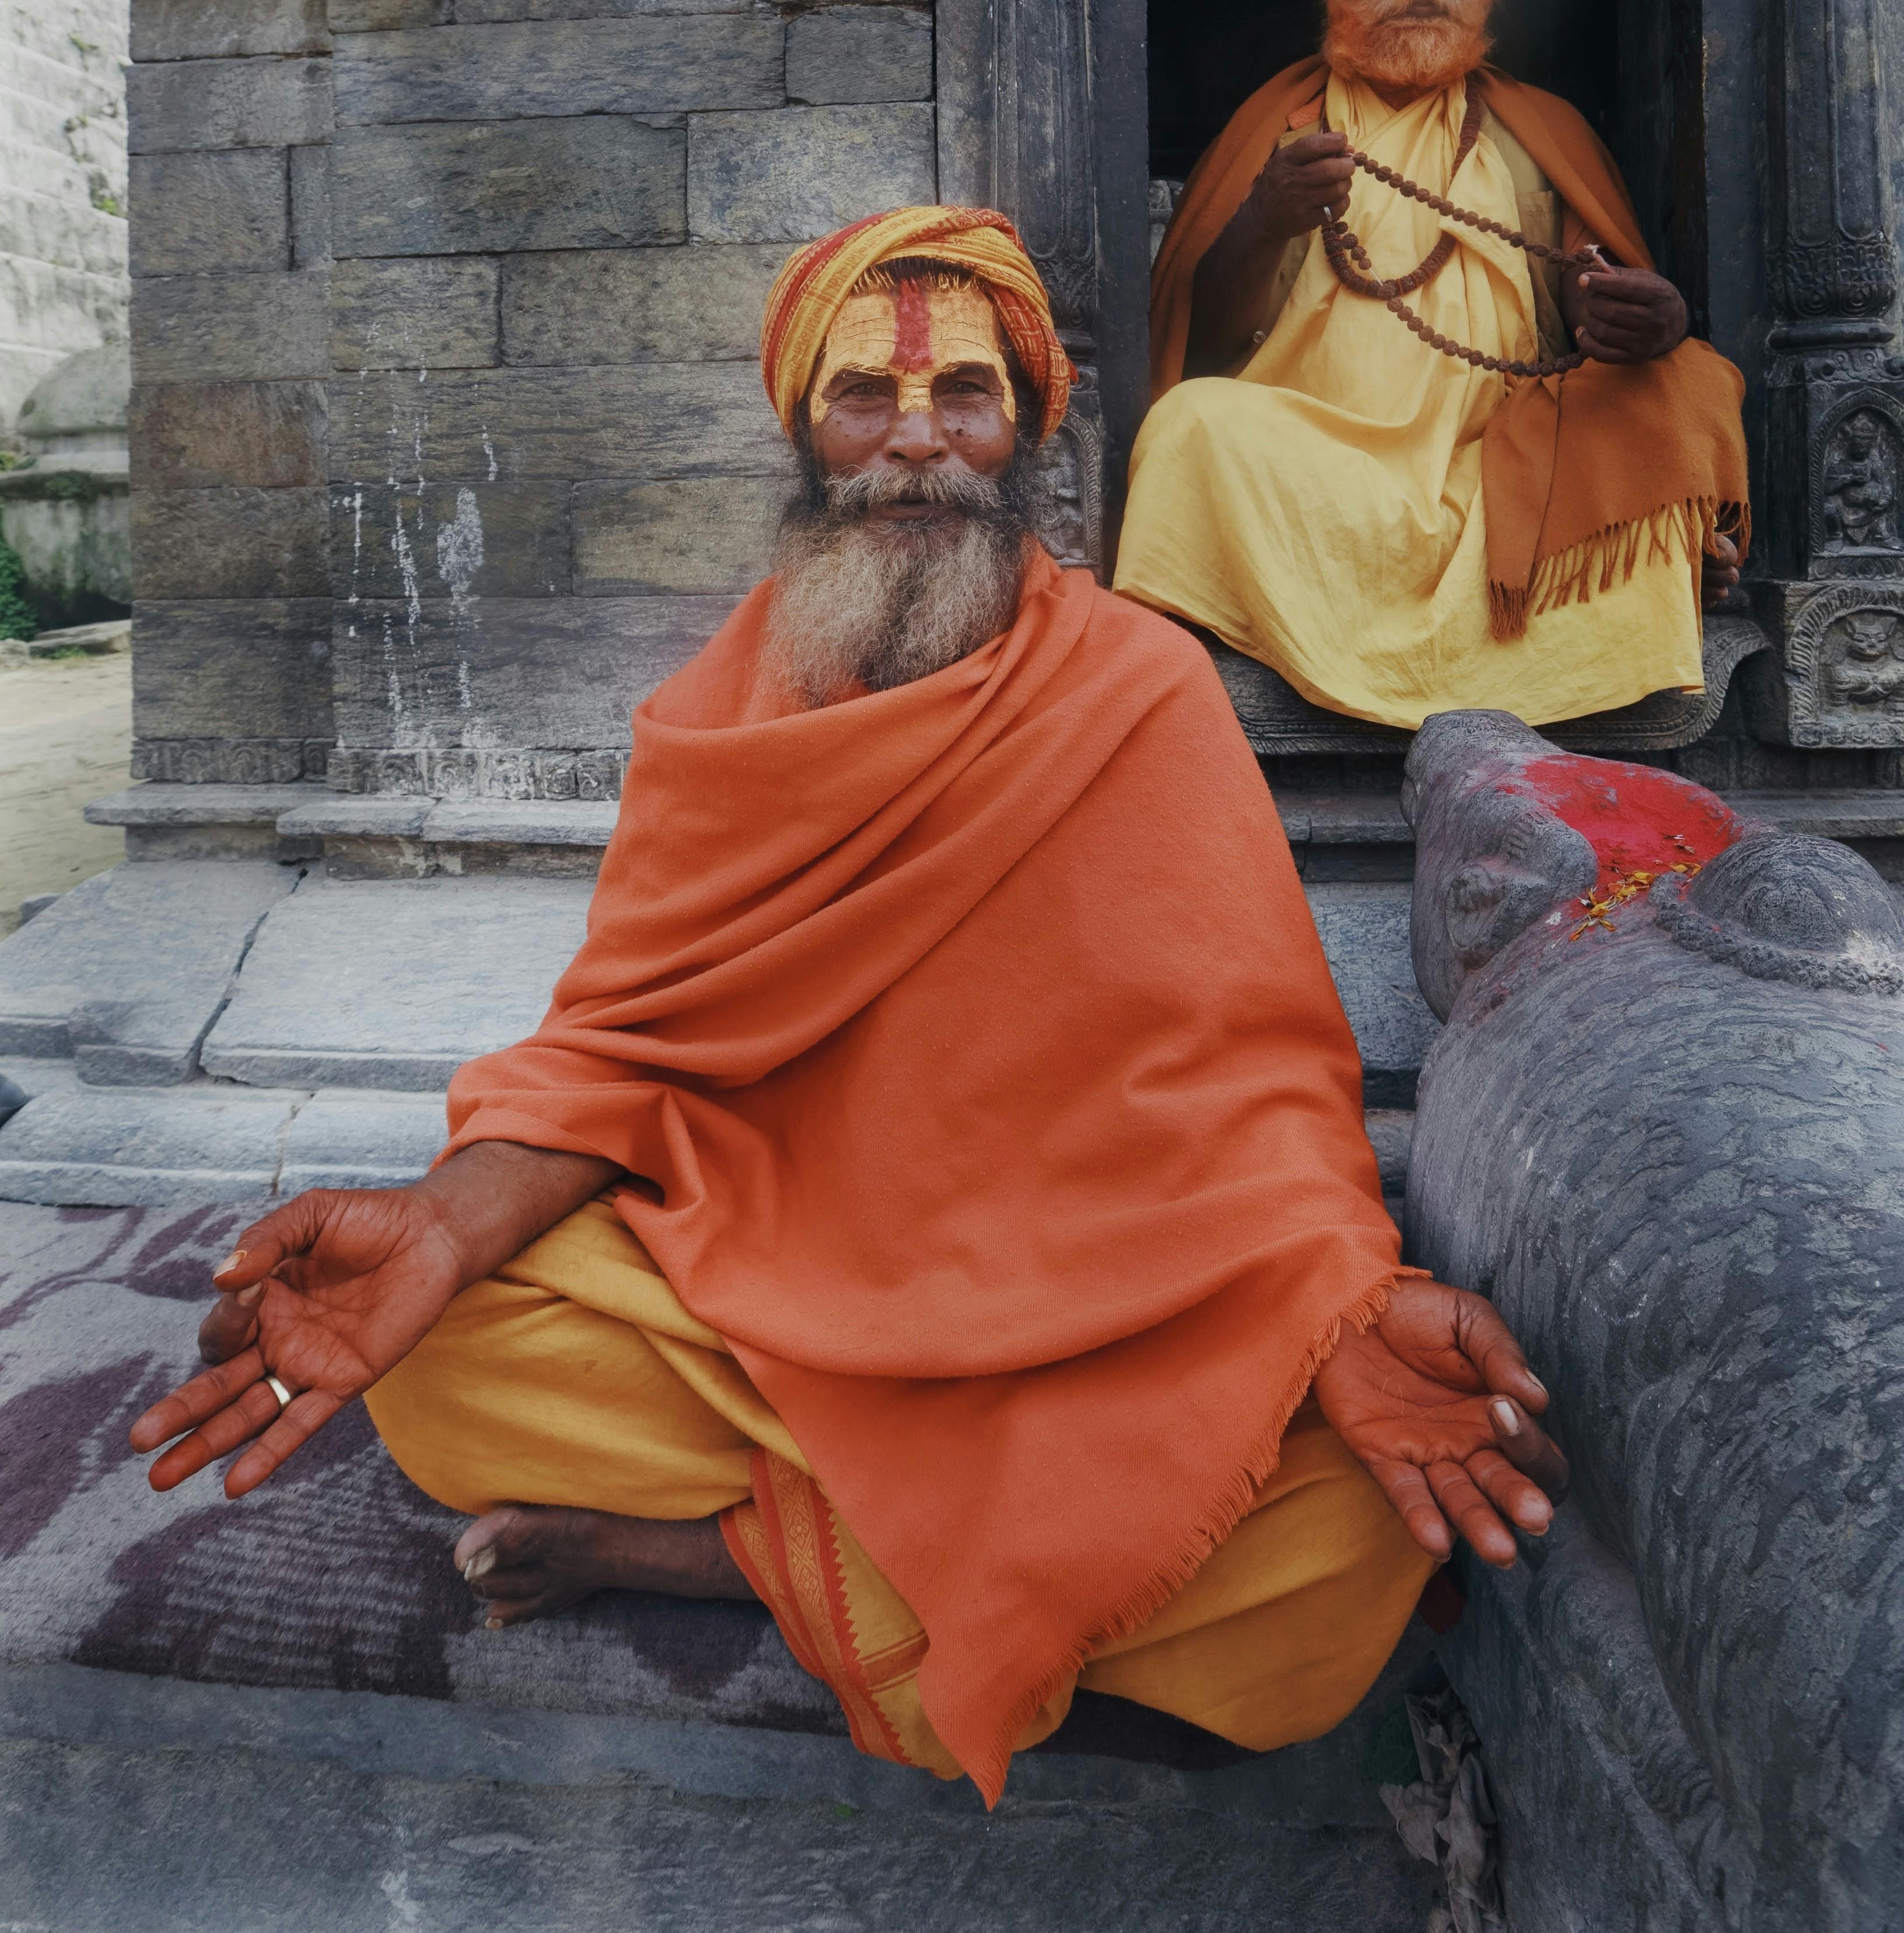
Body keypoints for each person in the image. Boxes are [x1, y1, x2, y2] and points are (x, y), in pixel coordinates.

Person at [128, 205, 1566, 1803]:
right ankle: (939, 1550)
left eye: (964, 395)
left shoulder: (1138, 687)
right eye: (863, 400)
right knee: (440, 1363)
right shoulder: (713, 718)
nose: (915, 446)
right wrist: (449, 1228)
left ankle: (713, 1555)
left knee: (1353, 1546)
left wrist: (1334, 1312)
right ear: (804, 434)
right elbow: (623, 1054)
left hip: (1087, 1315)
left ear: (1024, 427)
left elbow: (1256, 1082)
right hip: (772, 1284)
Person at [1116, 0, 1751, 728]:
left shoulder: (1540, 129)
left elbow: (1602, 292)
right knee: (1187, 429)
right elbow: (1204, 348)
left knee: (1680, 386)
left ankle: (1668, 553)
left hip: (1500, 487)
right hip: (1321, 488)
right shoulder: (1282, 127)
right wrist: (1267, 214)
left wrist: (1653, 320)